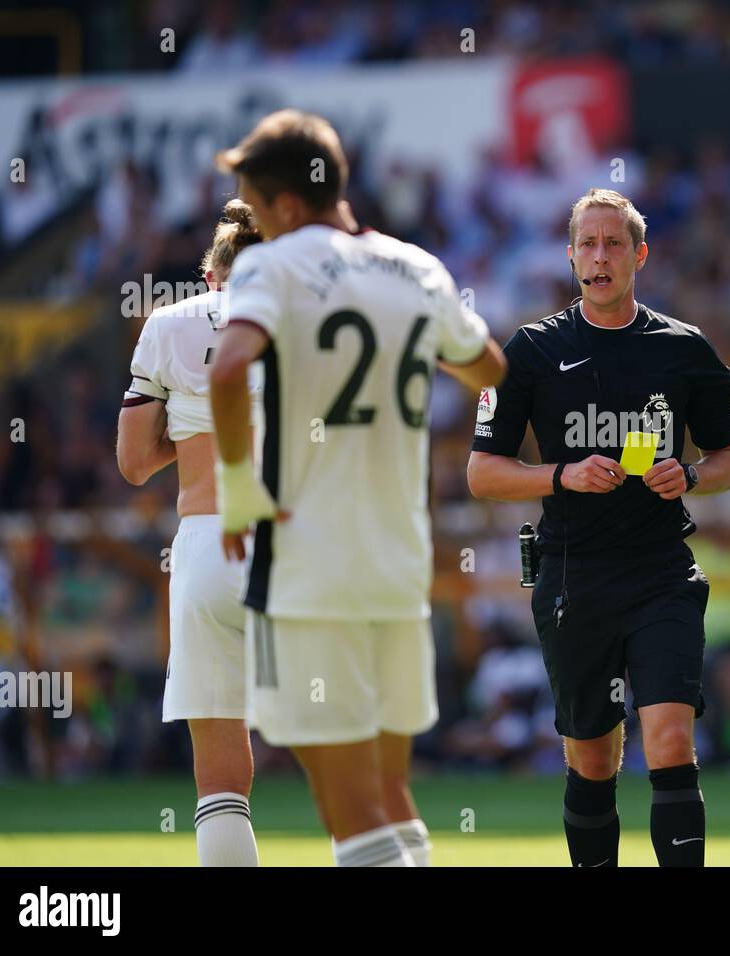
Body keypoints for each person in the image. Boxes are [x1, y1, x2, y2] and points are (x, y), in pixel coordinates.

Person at [207, 109, 506, 867]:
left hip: (310, 562)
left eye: (253, 203)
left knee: (351, 811)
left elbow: (229, 366)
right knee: (388, 793)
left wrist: (239, 487)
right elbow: (489, 370)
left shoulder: (272, 267)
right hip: (398, 563)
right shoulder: (418, 268)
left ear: (282, 204)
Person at [467, 188, 730, 867]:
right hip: (572, 574)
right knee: (592, 759)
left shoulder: (683, 349)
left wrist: (693, 475)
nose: (599, 256)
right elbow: (482, 473)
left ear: (639, 255)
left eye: (612, 243)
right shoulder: (529, 351)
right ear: (569, 257)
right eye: (586, 244)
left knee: (672, 742)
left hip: (661, 572)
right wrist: (562, 475)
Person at [116, 199, 264, 866]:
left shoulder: (167, 325)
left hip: (205, 543)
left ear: (212, 276)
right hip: (296, 538)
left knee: (221, 778)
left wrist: (187, 427)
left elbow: (133, 463)